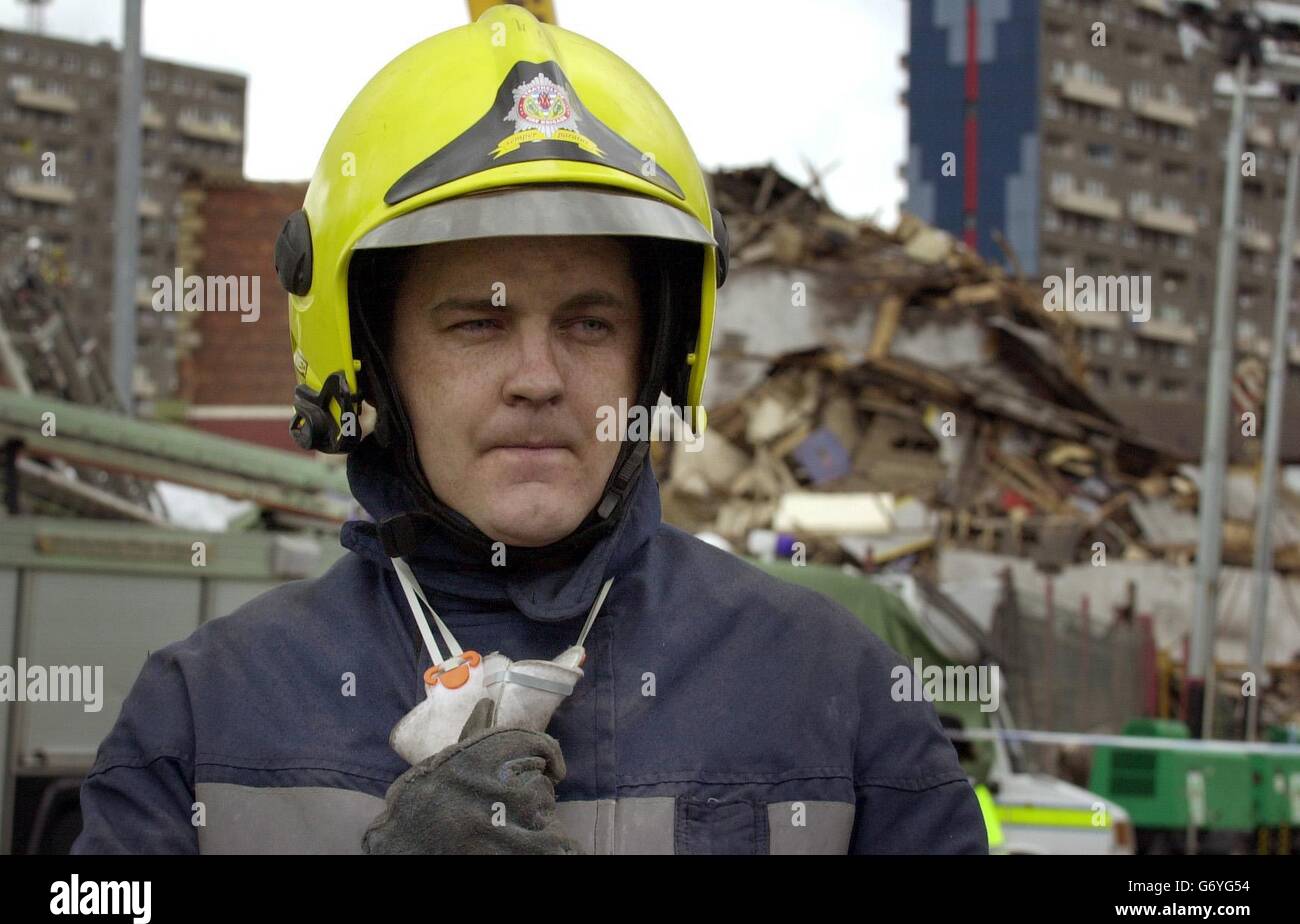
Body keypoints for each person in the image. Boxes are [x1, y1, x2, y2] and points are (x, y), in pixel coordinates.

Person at [73, 5, 987, 855]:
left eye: (590, 324)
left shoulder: (839, 691)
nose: (540, 380)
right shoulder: (201, 714)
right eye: (478, 323)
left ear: (656, 360)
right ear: (370, 360)